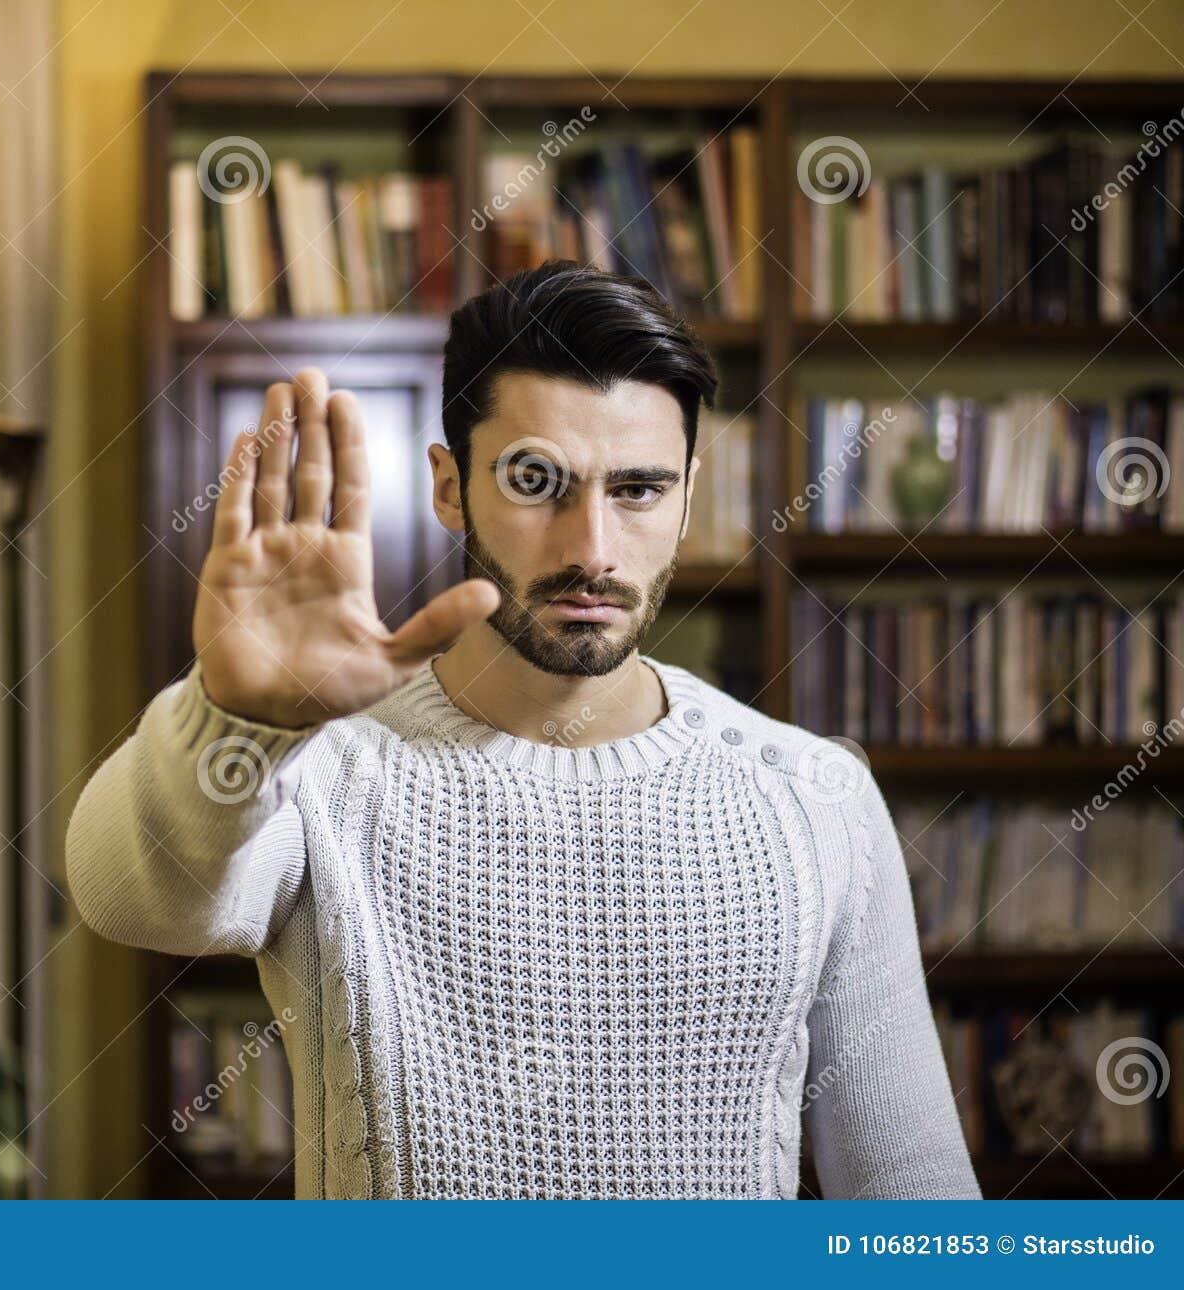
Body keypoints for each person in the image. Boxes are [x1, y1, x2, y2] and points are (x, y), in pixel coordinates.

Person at [65, 260, 981, 1200]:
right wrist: (239, 721)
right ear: (451, 487)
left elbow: (912, 1192)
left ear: (687, 495)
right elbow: (128, 896)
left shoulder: (811, 793)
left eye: (638, 489)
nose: (591, 545)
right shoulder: (323, 766)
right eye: (538, 481)